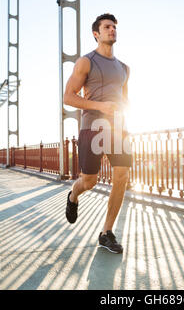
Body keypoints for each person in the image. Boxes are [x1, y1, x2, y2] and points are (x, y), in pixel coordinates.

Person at [63, 13, 131, 254]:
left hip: (118, 129)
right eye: (107, 27)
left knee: (121, 175)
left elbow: (125, 99)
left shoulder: (124, 68)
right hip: (92, 127)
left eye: (114, 26)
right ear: (96, 33)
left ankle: (106, 232)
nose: (112, 30)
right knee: (89, 181)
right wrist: (101, 106)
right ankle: (73, 194)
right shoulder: (85, 62)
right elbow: (68, 97)